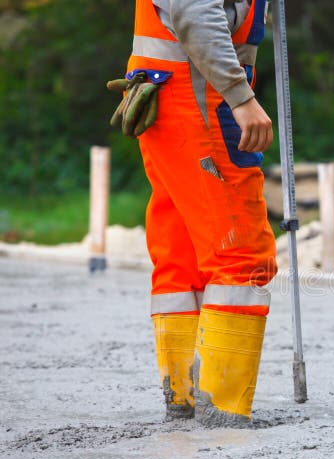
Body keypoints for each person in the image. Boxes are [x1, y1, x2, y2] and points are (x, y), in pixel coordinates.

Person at [112, 0, 277, 426]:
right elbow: (194, 11)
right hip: (200, 99)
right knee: (240, 256)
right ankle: (223, 413)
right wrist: (240, 97)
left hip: (167, 99)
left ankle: (184, 404)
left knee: (181, 260)